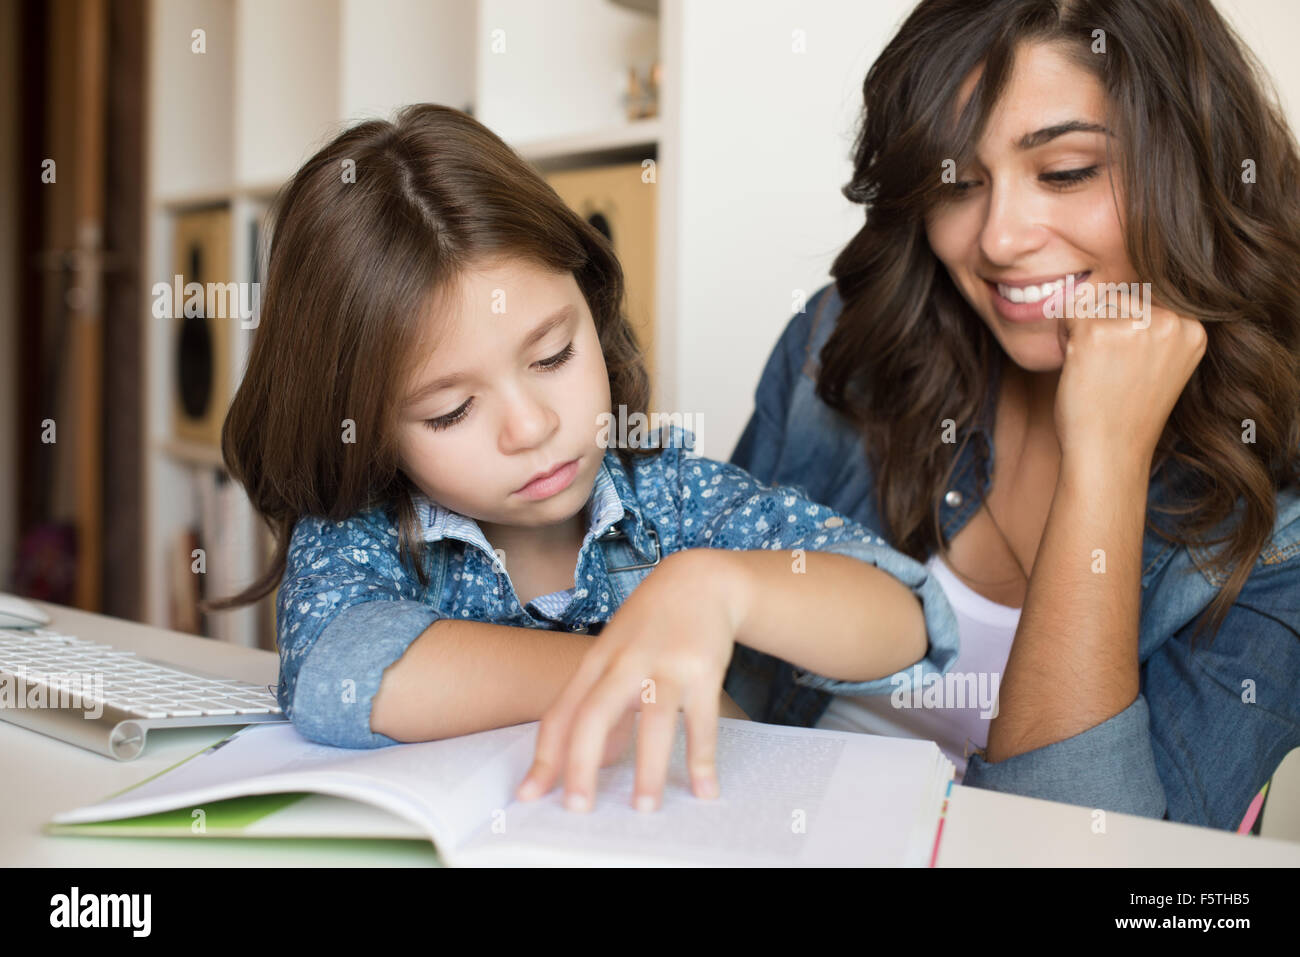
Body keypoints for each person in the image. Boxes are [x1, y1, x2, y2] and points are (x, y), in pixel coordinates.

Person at [205, 103, 961, 814]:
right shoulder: (367, 527)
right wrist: (628, 680)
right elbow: (334, 670)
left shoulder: (672, 499)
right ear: (366, 428)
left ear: (592, 308)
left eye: (553, 354)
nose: (531, 426)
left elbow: (906, 619)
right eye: (451, 410)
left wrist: (719, 587)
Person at [723, 0, 1300, 832]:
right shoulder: (837, 348)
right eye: (955, 182)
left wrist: (1105, 454)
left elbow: (1088, 858)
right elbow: (710, 698)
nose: (999, 239)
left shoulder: (1278, 516)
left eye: (1065, 172)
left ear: (1192, 163)